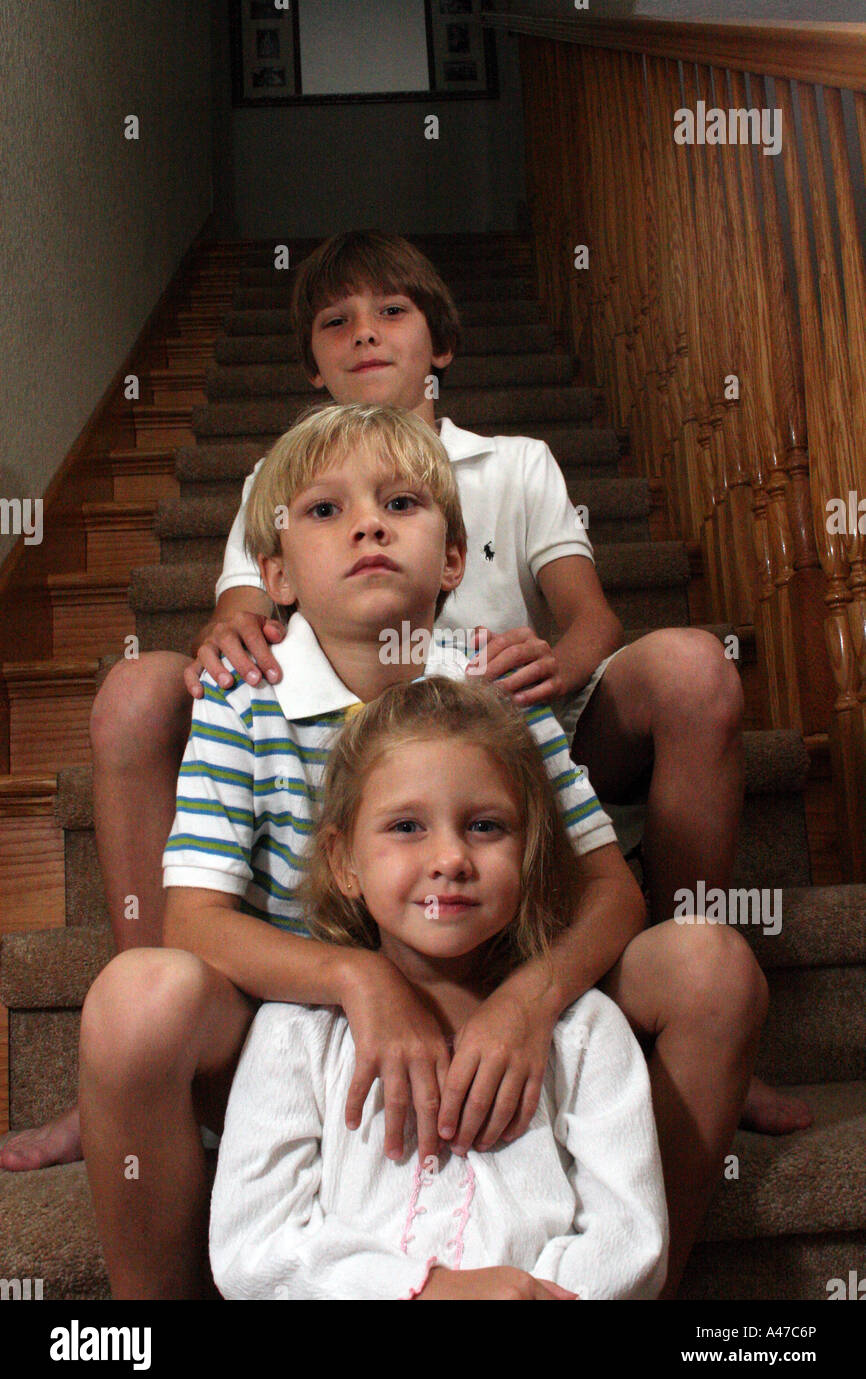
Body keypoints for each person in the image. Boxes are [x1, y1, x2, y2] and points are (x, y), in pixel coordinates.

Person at [2, 230, 801, 1183]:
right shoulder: (277, 487)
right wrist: (233, 647)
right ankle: (129, 1053)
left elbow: (593, 629)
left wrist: (535, 672)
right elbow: (243, 610)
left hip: (500, 735)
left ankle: (702, 1042)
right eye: (337, 321)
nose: (366, 334)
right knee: (139, 703)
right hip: (343, 816)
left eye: (392, 312)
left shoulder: (515, 465)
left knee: (689, 721)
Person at [79, 402, 653, 1299]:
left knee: (711, 967)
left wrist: (527, 1004)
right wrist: (360, 980)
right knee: (136, 996)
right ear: (275, 573)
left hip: (482, 988)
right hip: (294, 1028)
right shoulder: (243, 699)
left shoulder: (495, 686)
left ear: (454, 559)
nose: (368, 525)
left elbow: (613, 892)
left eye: (402, 504)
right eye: (324, 511)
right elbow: (191, 922)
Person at [210, 676, 668, 1301]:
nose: (451, 857)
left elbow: (629, 1234)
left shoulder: (585, 1030)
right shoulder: (294, 1034)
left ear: (529, 851)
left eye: (484, 826)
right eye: (406, 827)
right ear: (344, 863)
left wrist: (531, 1297)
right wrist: (425, 1293)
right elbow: (252, 1248)